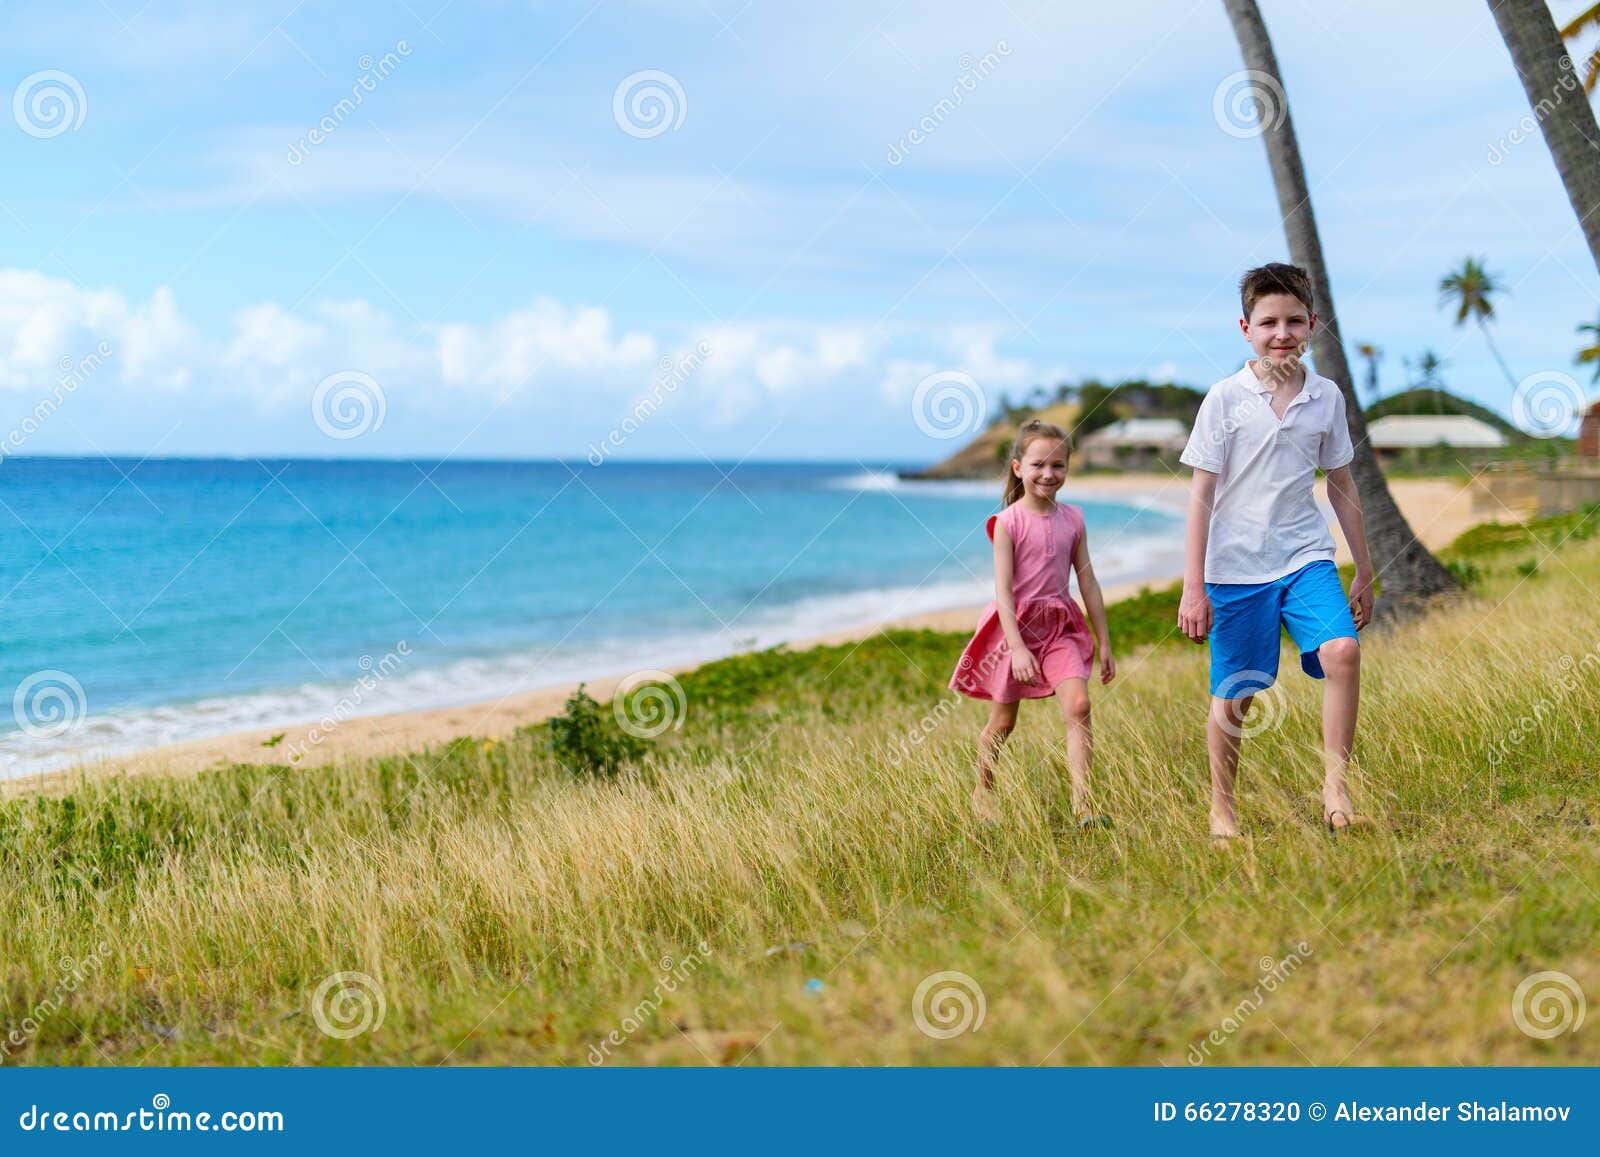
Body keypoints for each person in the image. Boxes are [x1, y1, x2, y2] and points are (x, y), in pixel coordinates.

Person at [1177, 262, 1375, 841]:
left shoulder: (1326, 396)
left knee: (1343, 652)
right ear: (1246, 328)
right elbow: (1200, 498)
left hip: (1305, 557)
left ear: (1312, 323)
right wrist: (1194, 587)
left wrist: (1362, 568)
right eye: (1268, 323)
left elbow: (1341, 484)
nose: (1281, 333)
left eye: (1293, 321)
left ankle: (1335, 786)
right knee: (1235, 693)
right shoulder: (1223, 399)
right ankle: (1223, 808)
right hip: (1234, 568)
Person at [949, 419, 1115, 825]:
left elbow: (1087, 581)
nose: (1048, 474)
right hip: (1014, 632)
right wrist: (1018, 648)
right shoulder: (1007, 523)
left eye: (1058, 465)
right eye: (1039, 464)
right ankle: (983, 790)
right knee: (1003, 723)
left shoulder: (1073, 519)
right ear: (1018, 467)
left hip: (1060, 627)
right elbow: (1003, 592)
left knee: (1079, 705)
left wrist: (1105, 641)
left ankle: (1083, 805)